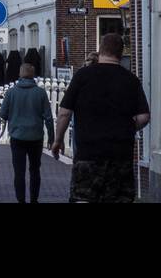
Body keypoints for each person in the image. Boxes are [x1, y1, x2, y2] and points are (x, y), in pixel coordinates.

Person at [52, 33, 150, 203]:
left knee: (83, 198)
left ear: (100, 50)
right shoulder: (131, 80)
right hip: (120, 157)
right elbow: (144, 117)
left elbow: (64, 113)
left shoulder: (82, 76)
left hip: (88, 155)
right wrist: (126, 127)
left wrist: (58, 140)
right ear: (120, 53)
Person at [0, 61, 54, 203]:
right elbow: (48, 117)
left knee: (19, 172)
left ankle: (21, 200)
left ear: (20, 74)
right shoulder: (41, 93)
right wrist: (52, 137)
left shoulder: (11, 92)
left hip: (17, 137)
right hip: (36, 137)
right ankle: (34, 200)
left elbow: (3, 114)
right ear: (33, 75)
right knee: (35, 170)